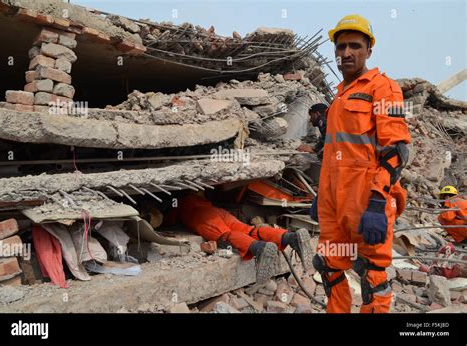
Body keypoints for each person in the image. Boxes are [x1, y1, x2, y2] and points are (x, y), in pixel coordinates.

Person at [310, 14, 411, 313]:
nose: (346, 53)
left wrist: (378, 203)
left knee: (372, 275)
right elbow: (333, 154)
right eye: (341, 47)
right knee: (328, 265)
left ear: (369, 49)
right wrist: (321, 194)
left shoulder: (384, 88)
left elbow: (396, 152)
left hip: (367, 203)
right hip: (334, 206)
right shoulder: (338, 98)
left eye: (355, 46)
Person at [166, 194, 312, 284]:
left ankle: (259, 248)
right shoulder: (196, 196)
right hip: (218, 211)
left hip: (201, 216)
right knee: (249, 230)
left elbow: (167, 220)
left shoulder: (178, 202)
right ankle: (291, 237)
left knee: (225, 235)